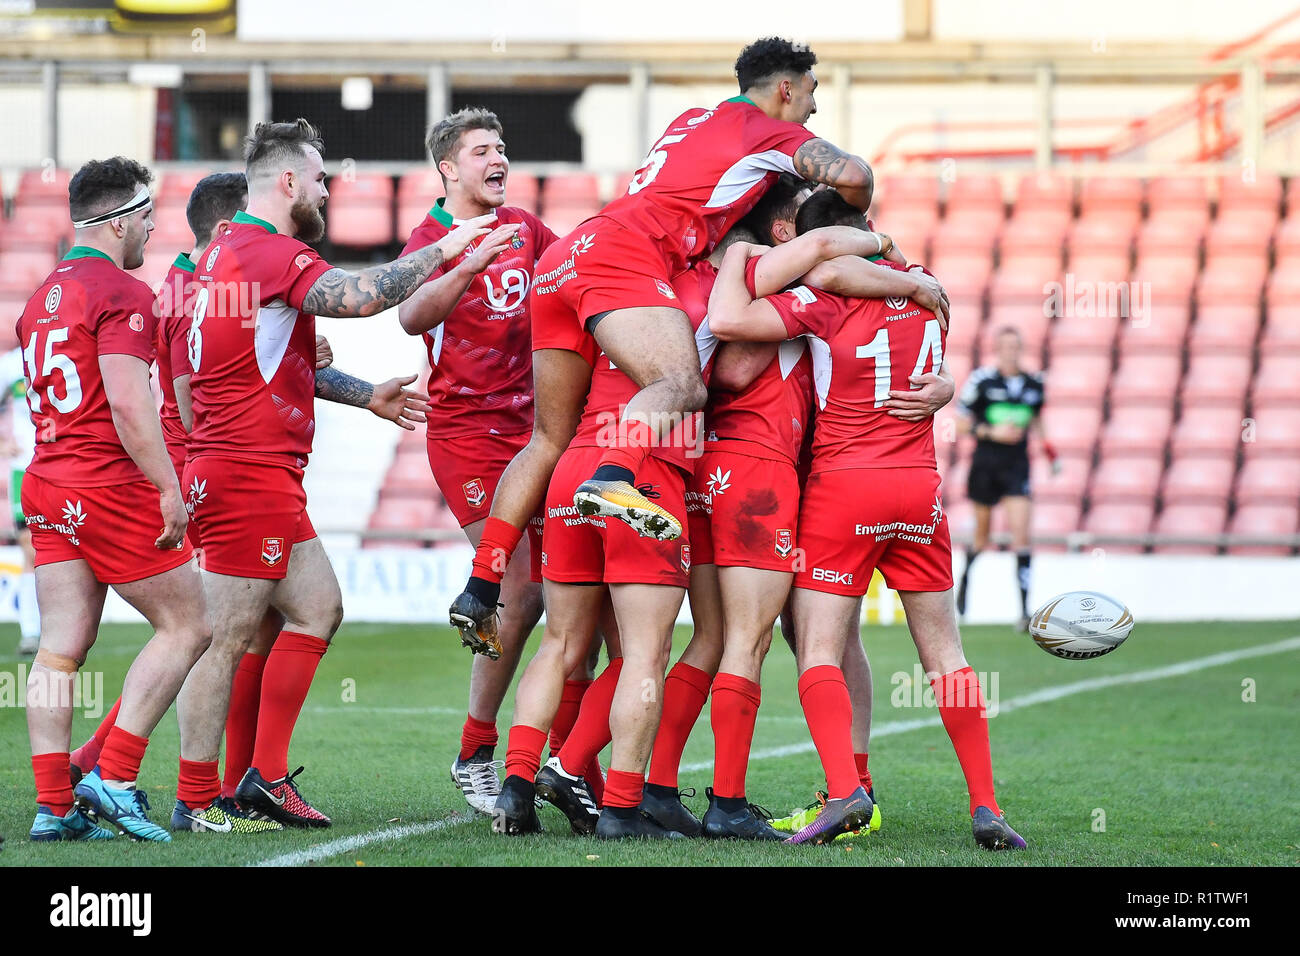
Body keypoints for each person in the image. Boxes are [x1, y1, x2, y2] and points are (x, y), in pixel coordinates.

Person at [448, 36, 876, 655]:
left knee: (549, 437)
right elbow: (855, 174)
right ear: (786, 88)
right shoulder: (761, 129)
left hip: (570, 252)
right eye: (811, 92)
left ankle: (481, 587)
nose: (813, 108)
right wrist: (858, 220)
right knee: (681, 384)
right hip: (628, 253)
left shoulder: (694, 118)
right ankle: (614, 477)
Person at [173, 118, 494, 830]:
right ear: (288, 182)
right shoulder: (266, 250)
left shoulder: (220, 252)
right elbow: (362, 297)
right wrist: (448, 247)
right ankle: (195, 798)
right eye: (320, 179)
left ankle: (260, 777)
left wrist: (364, 394)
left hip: (254, 468)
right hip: (245, 471)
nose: (327, 191)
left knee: (318, 607)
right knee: (221, 637)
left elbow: (258, 363)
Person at [707, 189, 1027, 850]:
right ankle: (987, 805)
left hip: (845, 487)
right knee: (945, 654)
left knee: (818, 647)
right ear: (868, 232)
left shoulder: (823, 299)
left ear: (820, 241)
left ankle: (845, 791)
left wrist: (753, 258)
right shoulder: (927, 287)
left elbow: (737, 323)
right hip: (920, 490)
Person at [21, 156, 208, 842]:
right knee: (191, 625)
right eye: (147, 218)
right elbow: (131, 406)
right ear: (120, 220)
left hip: (47, 481)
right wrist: (167, 487)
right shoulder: (123, 292)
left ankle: (53, 806)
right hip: (105, 483)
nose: (153, 230)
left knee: (60, 650)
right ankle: (115, 776)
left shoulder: (41, 297)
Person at [396, 108, 557, 814]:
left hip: (541, 430)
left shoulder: (526, 225)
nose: (498, 159)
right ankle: (475, 752)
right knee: (520, 590)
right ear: (448, 169)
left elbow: (574, 273)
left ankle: (562, 763)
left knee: (571, 591)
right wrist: (468, 261)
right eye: (481, 150)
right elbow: (410, 315)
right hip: (467, 433)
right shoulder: (430, 238)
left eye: (502, 147)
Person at [955, 326, 1053, 630]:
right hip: (985, 464)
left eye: (1015, 346)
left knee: (1021, 536)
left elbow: (1037, 419)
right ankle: (965, 582)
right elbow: (959, 424)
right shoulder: (982, 381)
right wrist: (990, 432)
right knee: (982, 538)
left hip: (1017, 466)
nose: (1011, 351)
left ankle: (1024, 612)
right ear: (997, 349)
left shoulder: (1034, 383)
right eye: (1005, 346)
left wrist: (1050, 450)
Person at [0, 347, 39, 656]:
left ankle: (62, 629)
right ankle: (31, 632)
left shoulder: (70, 346)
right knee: (30, 548)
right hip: (23, 469)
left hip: (63, 465)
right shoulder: (10, 364)